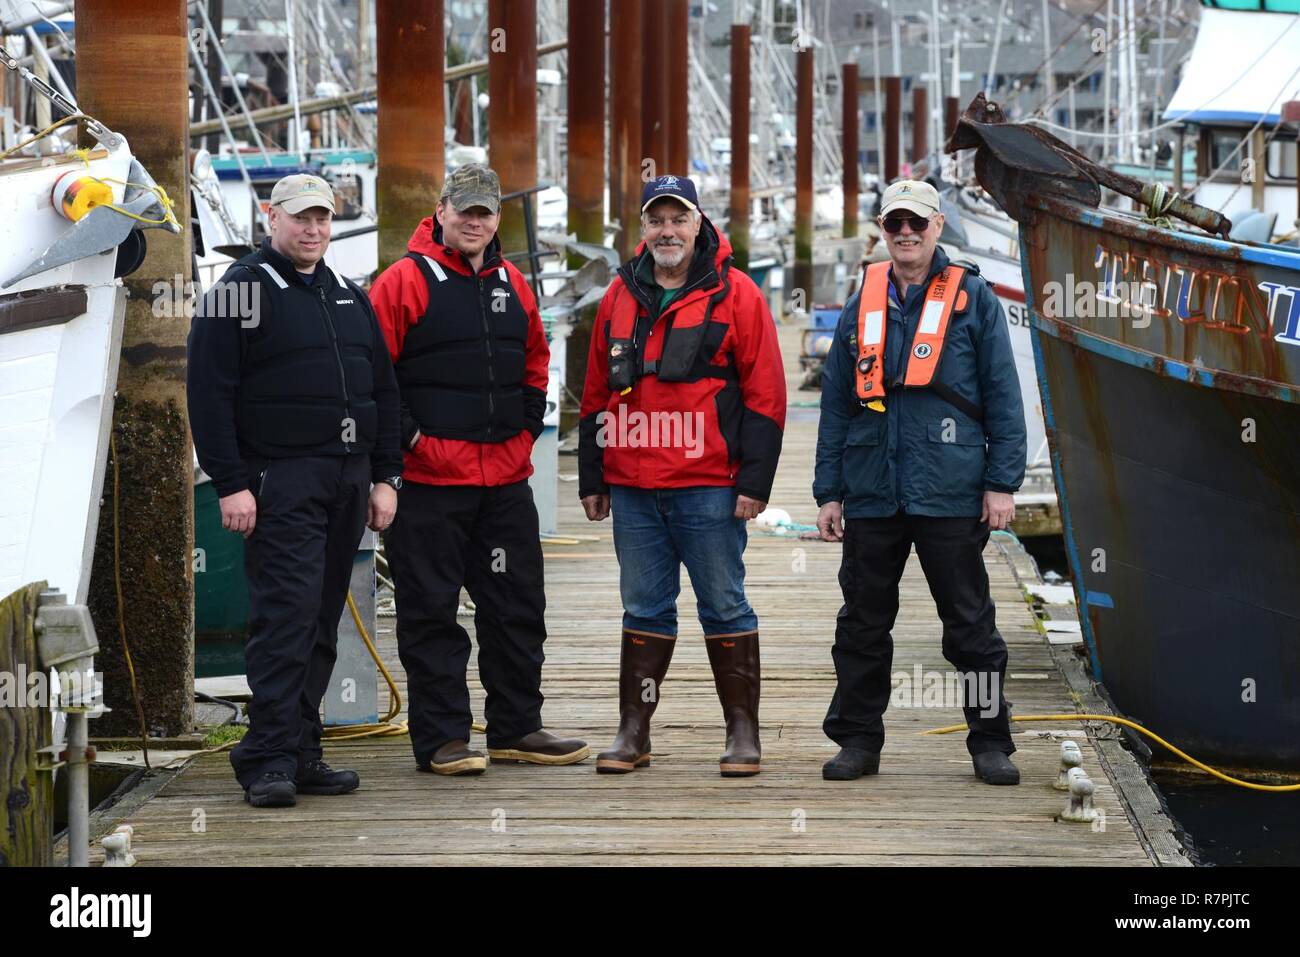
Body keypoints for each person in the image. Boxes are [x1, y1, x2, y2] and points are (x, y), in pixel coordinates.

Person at [187, 173, 403, 807]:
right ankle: (267, 758)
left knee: (320, 620)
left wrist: (386, 475)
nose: (312, 230)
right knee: (284, 618)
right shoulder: (240, 292)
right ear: (271, 218)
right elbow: (207, 391)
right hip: (279, 479)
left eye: (323, 220)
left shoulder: (346, 292)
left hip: (347, 479)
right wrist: (230, 483)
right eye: (300, 218)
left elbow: (382, 391)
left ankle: (303, 750)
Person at [369, 164, 587, 776]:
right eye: (463, 209)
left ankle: (518, 727)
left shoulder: (512, 279)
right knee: (431, 613)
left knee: (518, 607)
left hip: (505, 482)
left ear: (497, 219)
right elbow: (372, 375)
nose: (474, 220)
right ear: (440, 211)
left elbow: (537, 356)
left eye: (484, 212)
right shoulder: (402, 282)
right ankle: (441, 738)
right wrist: (409, 441)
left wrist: (525, 425)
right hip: (430, 486)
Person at [813, 179, 1027, 784]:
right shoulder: (865, 300)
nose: (905, 234)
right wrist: (828, 491)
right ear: (883, 231)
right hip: (872, 489)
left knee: (970, 625)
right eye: (894, 224)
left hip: (951, 489)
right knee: (861, 622)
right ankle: (857, 741)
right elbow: (835, 402)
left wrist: (1002, 482)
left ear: (937, 226)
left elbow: (1004, 397)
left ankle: (991, 743)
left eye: (917, 223)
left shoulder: (973, 299)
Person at [579, 174, 786, 777]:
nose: (667, 231)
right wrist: (593, 477)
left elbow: (767, 395)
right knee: (643, 607)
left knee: (724, 606)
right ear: (642, 229)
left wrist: (755, 484)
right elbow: (595, 393)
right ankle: (633, 731)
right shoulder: (617, 296)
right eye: (656, 220)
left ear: (699, 224)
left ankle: (742, 732)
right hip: (634, 488)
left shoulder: (739, 294)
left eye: (678, 219)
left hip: (710, 485)